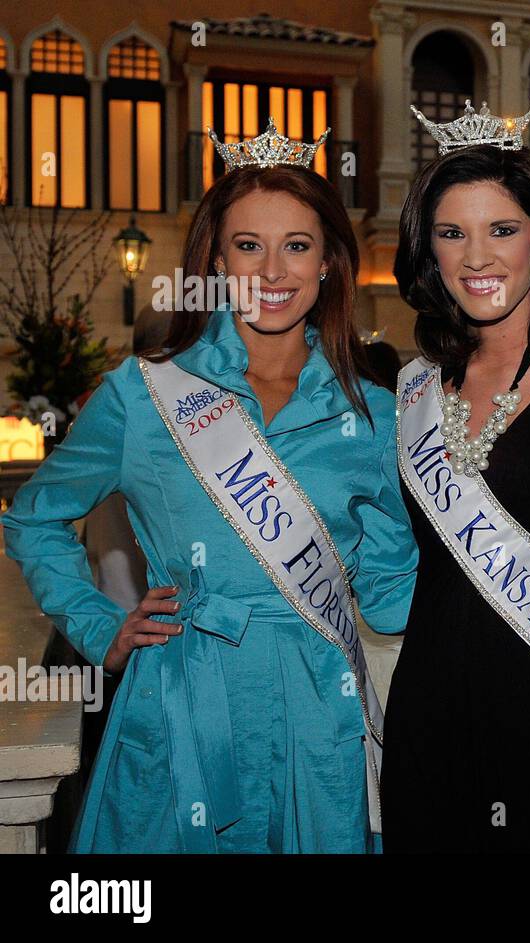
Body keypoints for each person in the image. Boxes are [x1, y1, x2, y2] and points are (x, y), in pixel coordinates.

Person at [2, 121, 416, 852]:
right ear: (216, 260)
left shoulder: (373, 413)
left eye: (297, 244)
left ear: (328, 262)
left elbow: (389, 591)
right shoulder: (146, 393)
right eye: (248, 245)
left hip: (318, 711)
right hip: (179, 700)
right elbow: (32, 516)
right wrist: (102, 627)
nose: (273, 270)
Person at [380, 99, 530, 853]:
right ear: (429, 252)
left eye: (502, 230)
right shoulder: (412, 390)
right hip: (428, 713)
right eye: (452, 233)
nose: (477, 257)